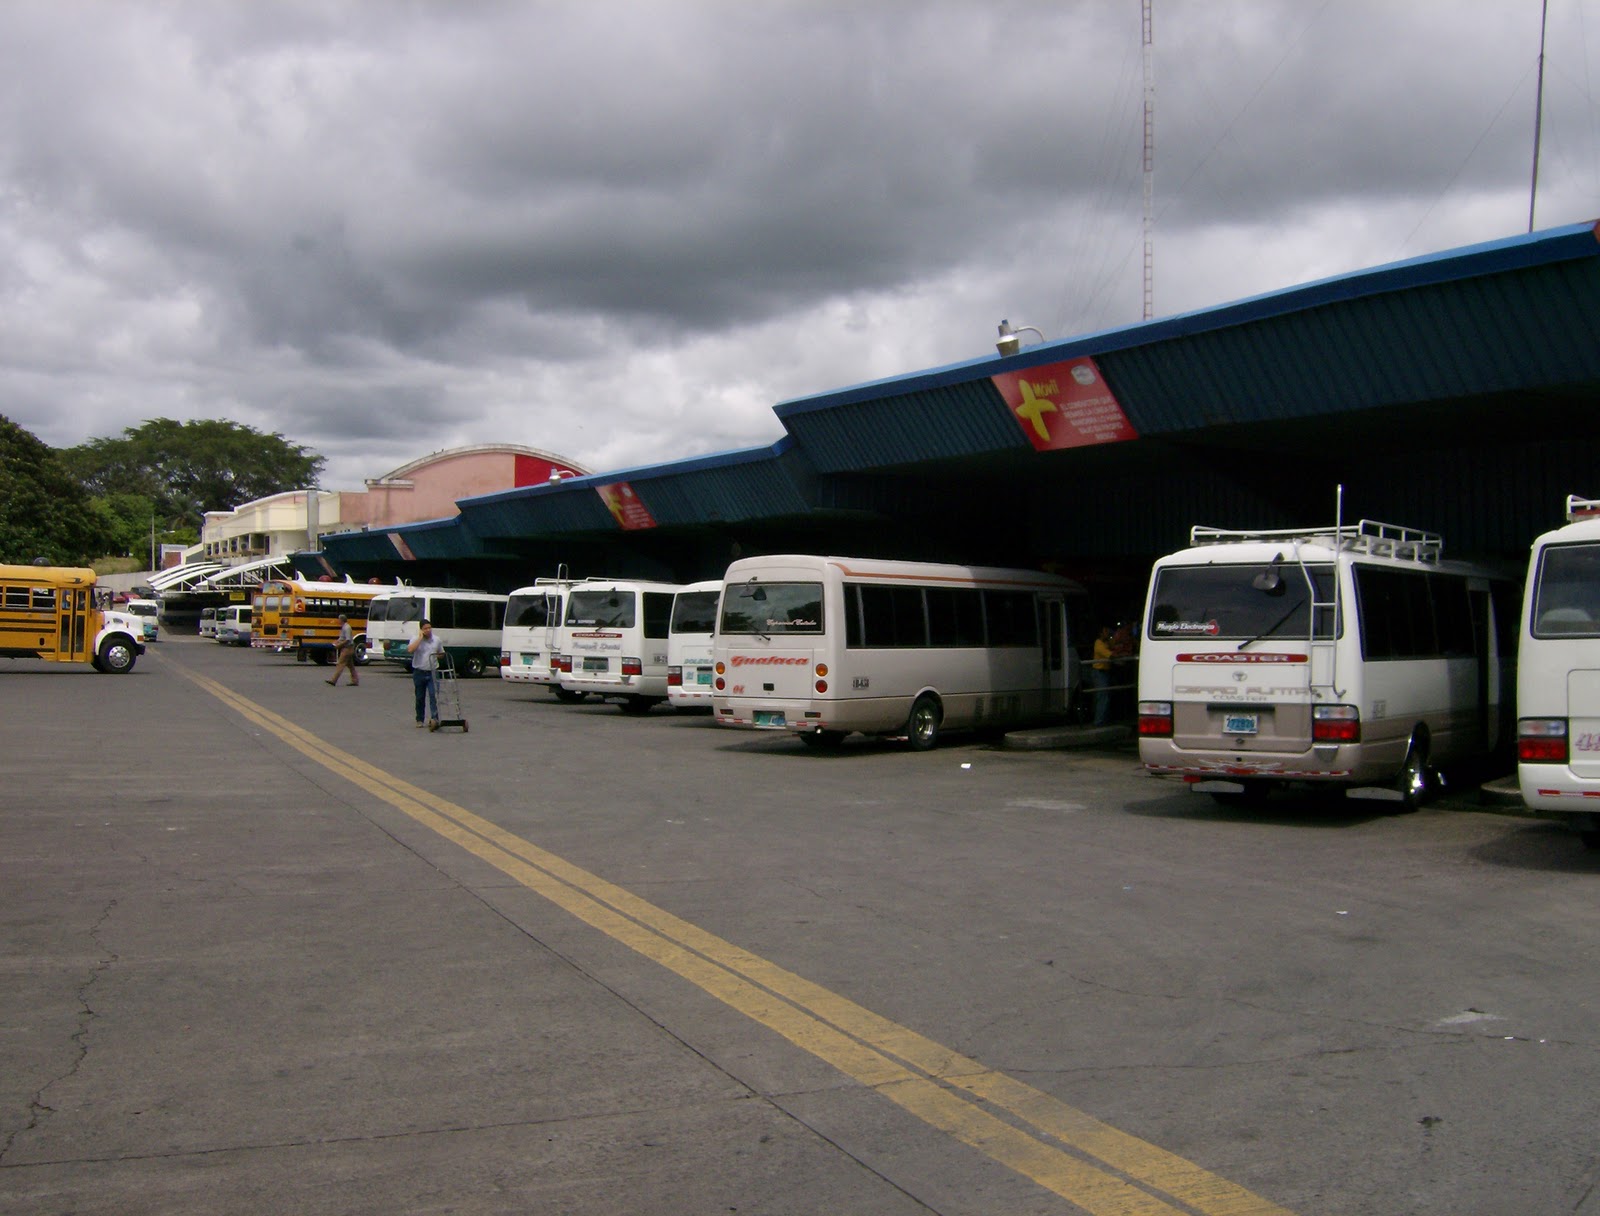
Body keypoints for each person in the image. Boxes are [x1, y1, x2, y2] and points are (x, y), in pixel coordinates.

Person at [407, 618, 445, 730]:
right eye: (425, 629)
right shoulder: (415, 639)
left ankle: (434, 719)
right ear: (421, 630)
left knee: (434, 695)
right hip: (419, 671)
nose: (428, 630)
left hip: (433, 671)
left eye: (429, 628)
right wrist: (420, 638)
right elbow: (410, 650)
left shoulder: (436, 640)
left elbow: (441, 653)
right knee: (420, 697)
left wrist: (438, 655)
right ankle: (419, 719)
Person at [1089, 624, 1114, 726]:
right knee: (1102, 697)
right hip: (1099, 672)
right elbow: (1110, 655)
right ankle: (1099, 721)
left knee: (1106, 696)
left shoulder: (1107, 642)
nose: (1107, 633)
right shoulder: (1098, 643)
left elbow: (1114, 646)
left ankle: (1104, 719)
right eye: (1105, 631)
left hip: (1106, 672)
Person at [326, 613, 360, 687]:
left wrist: (339, 645)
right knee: (351, 666)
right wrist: (336, 642)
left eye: (339, 619)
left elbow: (348, 640)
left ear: (342, 620)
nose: (338, 621)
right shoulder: (344, 627)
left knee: (340, 664)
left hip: (347, 648)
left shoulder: (347, 628)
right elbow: (342, 638)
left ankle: (333, 680)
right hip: (347, 648)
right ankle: (355, 680)